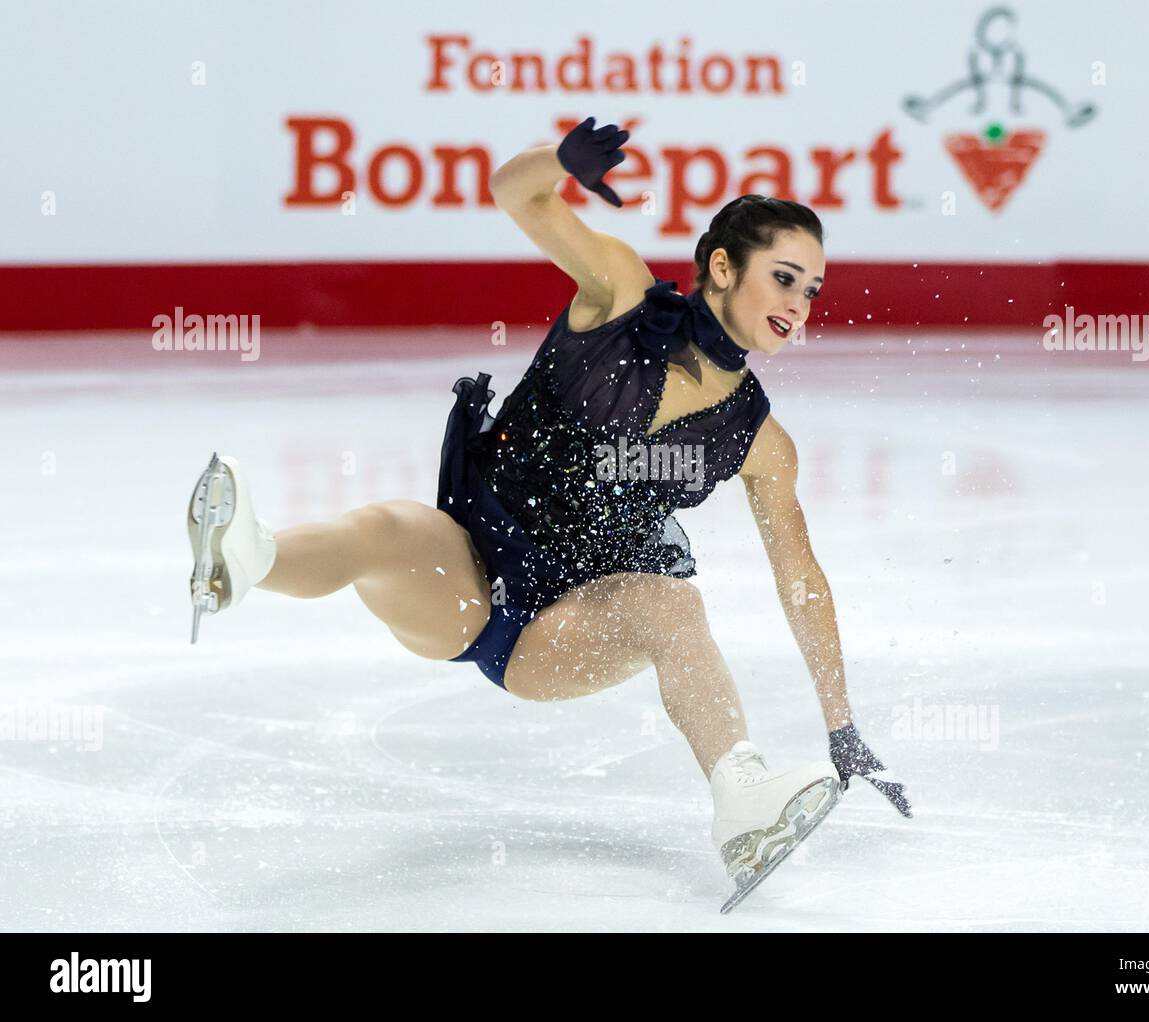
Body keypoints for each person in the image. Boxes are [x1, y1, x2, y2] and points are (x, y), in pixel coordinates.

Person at [187, 116, 909, 902]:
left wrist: (840, 724)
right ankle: (244, 558)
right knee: (391, 529)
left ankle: (742, 798)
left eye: (813, 288)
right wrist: (556, 160)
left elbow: (800, 578)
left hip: (562, 627)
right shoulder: (620, 293)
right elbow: (515, 195)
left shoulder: (762, 441)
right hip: (467, 577)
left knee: (671, 604)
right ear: (725, 267)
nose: (801, 303)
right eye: (785, 277)